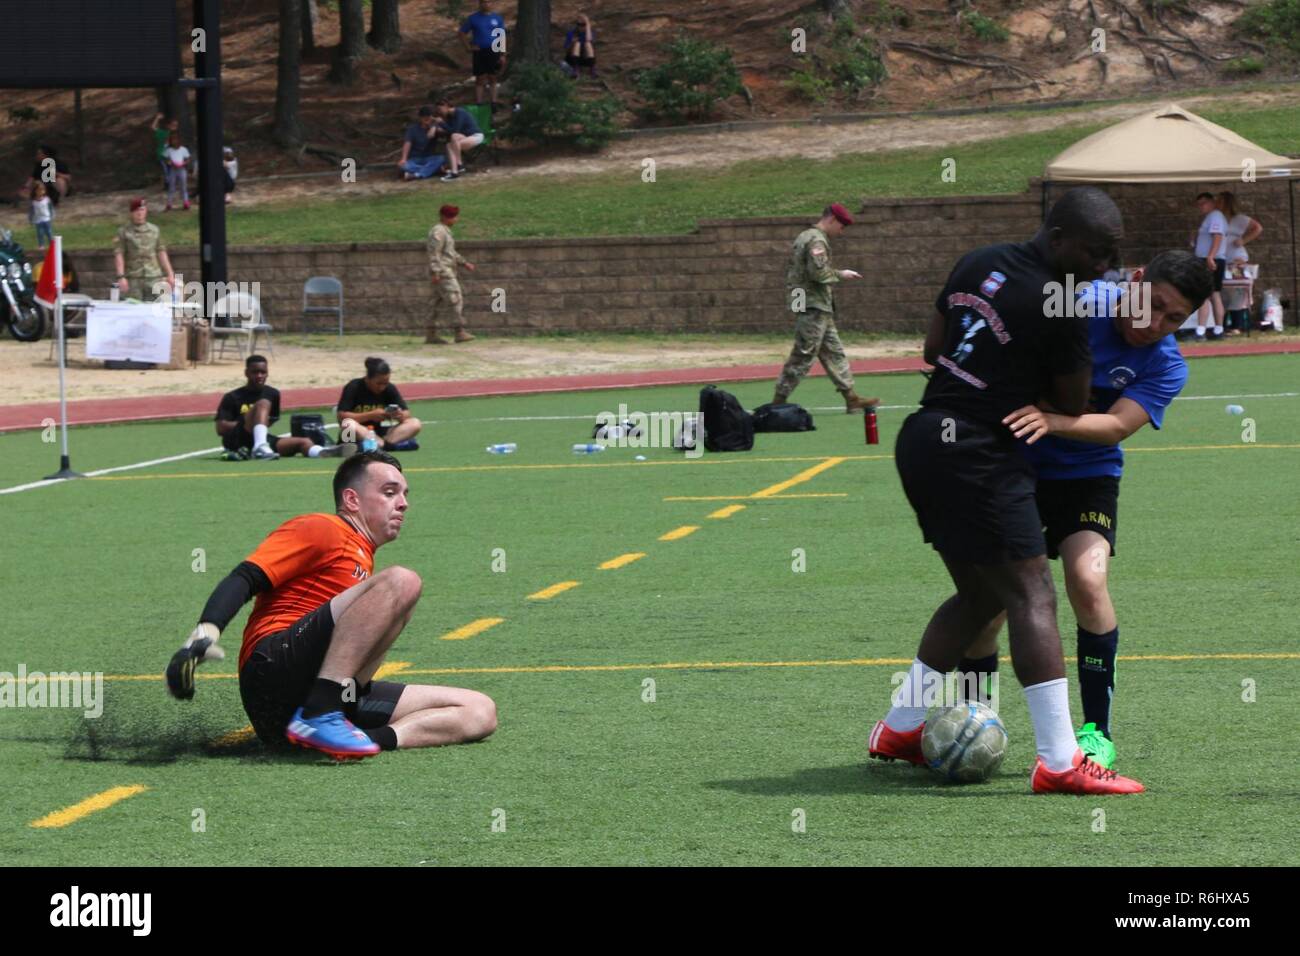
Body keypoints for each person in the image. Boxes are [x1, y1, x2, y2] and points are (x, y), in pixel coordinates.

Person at [869, 185, 1146, 795]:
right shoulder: (1061, 302)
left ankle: (898, 728)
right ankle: (1060, 761)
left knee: (976, 597)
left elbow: (935, 349)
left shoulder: (978, 258)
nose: (1103, 268)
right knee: (1032, 596)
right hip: (978, 453)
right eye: (1096, 253)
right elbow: (1073, 404)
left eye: (1112, 256)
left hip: (921, 438)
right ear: (1059, 239)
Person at [951, 250, 1212, 771]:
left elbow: (1115, 427)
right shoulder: (1073, 308)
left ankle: (1095, 733)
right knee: (993, 603)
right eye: (1153, 305)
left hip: (1086, 476)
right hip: (1015, 469)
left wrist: (1051, 420)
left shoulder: (1165, 364)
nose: (1154, 324)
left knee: (1088, 581)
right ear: (1135, 281)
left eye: (1173, 319)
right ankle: (974, 722)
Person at [165, 451, 498, 758]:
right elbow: (246, 577)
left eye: (405, 494)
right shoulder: (324, 528)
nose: (403, 503)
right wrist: (204, 633)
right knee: (403, 581)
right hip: (272, 672)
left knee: (480, 711)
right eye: (389, 492)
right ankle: (319, 714)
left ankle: (355, 736)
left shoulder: (361, 555)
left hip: (321, 695)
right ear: (351, 499)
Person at [773, 203, 879, 413]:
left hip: (810, 303)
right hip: (815, 304)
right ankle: (777, 401)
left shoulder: (805, 235)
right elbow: (818, 274)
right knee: (804, 353)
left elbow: (795, 272)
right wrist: (842, 274)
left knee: (833, 351)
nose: (842, 231)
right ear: (831, 219)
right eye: (841, 225)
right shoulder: (817, 240)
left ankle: (851, 397)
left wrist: (798, 305)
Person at [215, 354, 351, 461]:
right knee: (262, 404)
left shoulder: (272, 393)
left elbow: (272, 418)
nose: (259, 376)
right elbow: (221, 428)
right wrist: (249, 421)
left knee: (304, 442)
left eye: (263, 372)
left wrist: (258, 425)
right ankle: (261, 447)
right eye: (255, 372)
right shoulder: (232, 396)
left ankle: (323, 452)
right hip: (237, 440)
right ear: (246, 373)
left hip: (261, 438)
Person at [337, 357, 424, 452]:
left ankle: (382, 446)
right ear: (368, 379)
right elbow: (342, 416)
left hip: (382, 435)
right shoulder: (354, 387)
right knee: (348, 424)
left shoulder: (390, 388)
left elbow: (406, 413)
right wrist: (370, 415)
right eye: (378, 384)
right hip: (356, 435)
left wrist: (399, 415)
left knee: (415, 423)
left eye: (385, 383)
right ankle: (387, 446)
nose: (382, 387)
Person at [426, 203, 477, 344]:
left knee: (436, 303)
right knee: (455, 299)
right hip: (444, 272)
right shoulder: (438, 232)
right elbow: (434, 253)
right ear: (444, 217)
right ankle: (459, 332)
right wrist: (436, 272)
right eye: (452, 217)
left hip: (444, 271)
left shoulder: (445, 231)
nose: (455, 220)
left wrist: (464, 262)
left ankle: (431, 334)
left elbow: (450, 252)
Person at [112, 197, 175, 299]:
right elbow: (119, 254)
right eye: (136, 210)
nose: (139, 213)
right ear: (132, 213)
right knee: (134, 310)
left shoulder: (154, 230)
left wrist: (170, 274)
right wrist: (121, 276)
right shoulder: (124, 232)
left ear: (146, 211)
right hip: (133, 278)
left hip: (153, 277)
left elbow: (161, 252)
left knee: (155, 310)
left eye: (142, 210)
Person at [1191, 191, 1227, 340]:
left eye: (1203, 203)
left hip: (1209, 259)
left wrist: (1210, 256)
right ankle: (1218, 329)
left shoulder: (1215, 216)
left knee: (1204, 294)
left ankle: (1201, 330)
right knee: (1214, 294)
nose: (1201, 207)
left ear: (1212, 202)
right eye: (1198, 204)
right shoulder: (1211, 217)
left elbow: (1217, 236)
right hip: (1211, 258)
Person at [460, 0, 508, 107]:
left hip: (494, 50)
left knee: (493, 76)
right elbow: (462, 33)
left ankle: (494, 102)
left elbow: (502, 36)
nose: (486, 4)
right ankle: (479, 102)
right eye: (483, 2)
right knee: (480, 77)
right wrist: (468, 47)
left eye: (488, 2)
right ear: (480, 4)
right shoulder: (473, 18)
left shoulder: (497, 18)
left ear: (492, 3)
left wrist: (503, 54)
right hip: (479, 51)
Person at [435, 99, 484, 181]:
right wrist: (442, 129)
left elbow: (455, 131)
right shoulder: (450, 117)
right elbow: (450, 132)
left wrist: (442, 123)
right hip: (465, 137)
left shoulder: (459, 112)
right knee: (449, 145)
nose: (439, 112)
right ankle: (455, 172)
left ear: (446, 106)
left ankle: (459, 164)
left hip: (476, 136)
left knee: (454, 137)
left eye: (440, 109)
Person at [397, 105, 445, 181]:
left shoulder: (435, 128)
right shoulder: (412, 129)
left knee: (441, 159)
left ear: (431, 118)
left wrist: (434, 126)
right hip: (414, 158)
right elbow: (407, 143)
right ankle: (434, 170)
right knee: (404, 166)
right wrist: (404, 158)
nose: (426, 120)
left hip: (429, 157)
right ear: (420, 118)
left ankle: (416, 175)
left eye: (428, 118)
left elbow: (446, 131)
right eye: (424, 118)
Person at [163, 130, 191, 211]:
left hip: (181, 169)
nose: (174, 141)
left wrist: (183, 163)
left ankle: (186, 202)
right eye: (173, 140)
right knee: (171, 187)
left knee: (183, 187)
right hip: (173, 169)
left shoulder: (183, 149)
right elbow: (166, 159)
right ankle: (169, 203)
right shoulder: (169, 150)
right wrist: (170, 163)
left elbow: (188, 159)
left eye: (176, 139)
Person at [564, 14, 597, 79]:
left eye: (583, 25)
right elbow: (566, 48)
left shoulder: (589, 33)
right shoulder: (571, 33)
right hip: (572, 58)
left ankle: (592, 70)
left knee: (588, 44)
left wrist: (587, 25)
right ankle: (576, 70)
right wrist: (572, 43)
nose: (581, 27)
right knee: (577, 44)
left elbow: (589, 39)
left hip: (585, 58)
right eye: (579, 24)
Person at [150, 114, 178, 190]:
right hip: (162, 155)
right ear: (168, 126)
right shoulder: (163, 133)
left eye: (176, 126)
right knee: (166, 170)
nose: (175, 127)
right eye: (173, 125)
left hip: (171, 156)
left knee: (170, 170)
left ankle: (168, 185)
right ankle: (168, 186)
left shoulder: (175, 135)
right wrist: (157, 118)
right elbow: (153, 127)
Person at [29, 182, 53, 252]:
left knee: (49, 232)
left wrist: (51, 215)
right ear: (35, 191)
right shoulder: (33, 202)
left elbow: (50, 208)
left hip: (46, 218)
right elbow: (31, 211)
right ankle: (41, 245)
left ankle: (52, 244)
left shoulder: (47, 199)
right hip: (38, 220)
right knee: (40, 233)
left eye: (42, 190)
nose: (41, 192)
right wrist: (30, 219)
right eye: (39, 190)